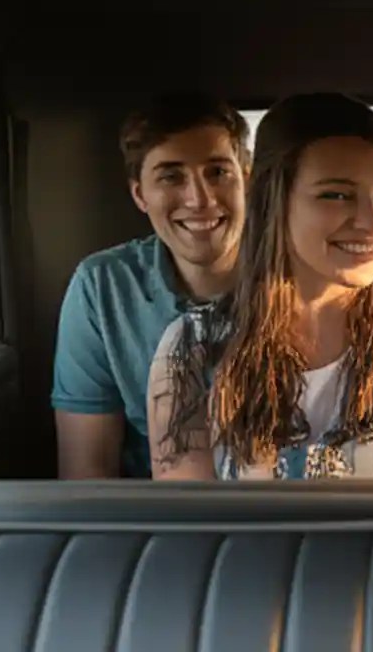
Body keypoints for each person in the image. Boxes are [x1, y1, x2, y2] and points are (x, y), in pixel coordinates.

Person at [146, 93, 373, 480]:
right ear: (273, 201)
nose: (370, 221)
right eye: (337, 195)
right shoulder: (190, 349)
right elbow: (192, 528)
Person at [52, 93, 250, 478]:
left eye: (218, 172)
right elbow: (87, 473)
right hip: (157, 522)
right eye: (171, 177)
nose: (200, 199)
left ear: (247, 178)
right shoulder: (102, 287)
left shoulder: (303, 275)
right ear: (140, 195)